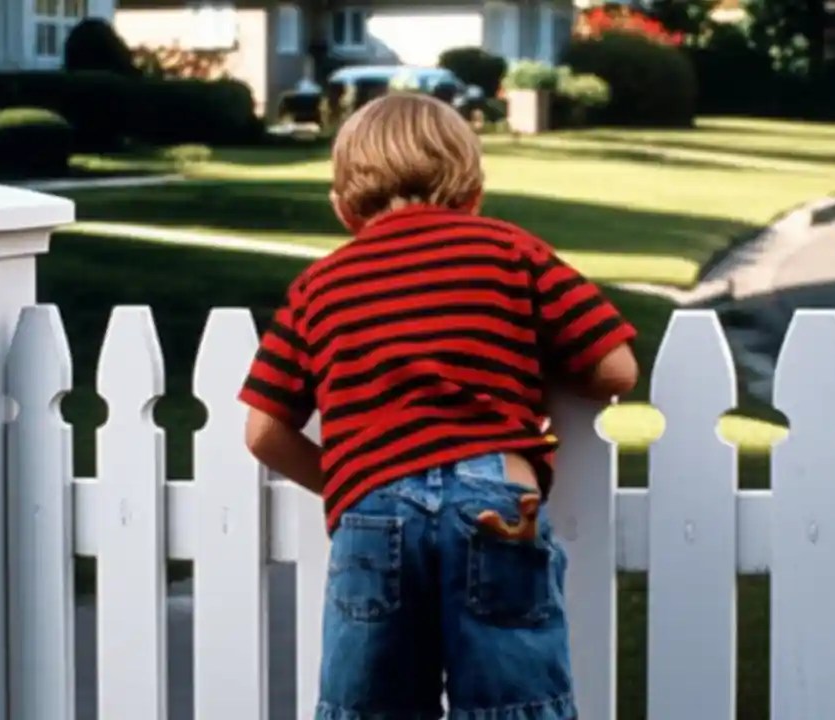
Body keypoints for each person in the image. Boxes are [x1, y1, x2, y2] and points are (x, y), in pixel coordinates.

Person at [239, 92, 638, 720]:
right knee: (516, 702)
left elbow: (264, 431)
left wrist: (353, 481)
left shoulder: (319, 285)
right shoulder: (510, 250)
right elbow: (616, 368)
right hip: (494, 496)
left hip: (372, 507)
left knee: (371, 705)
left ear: (344, 209)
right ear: (473, 195)